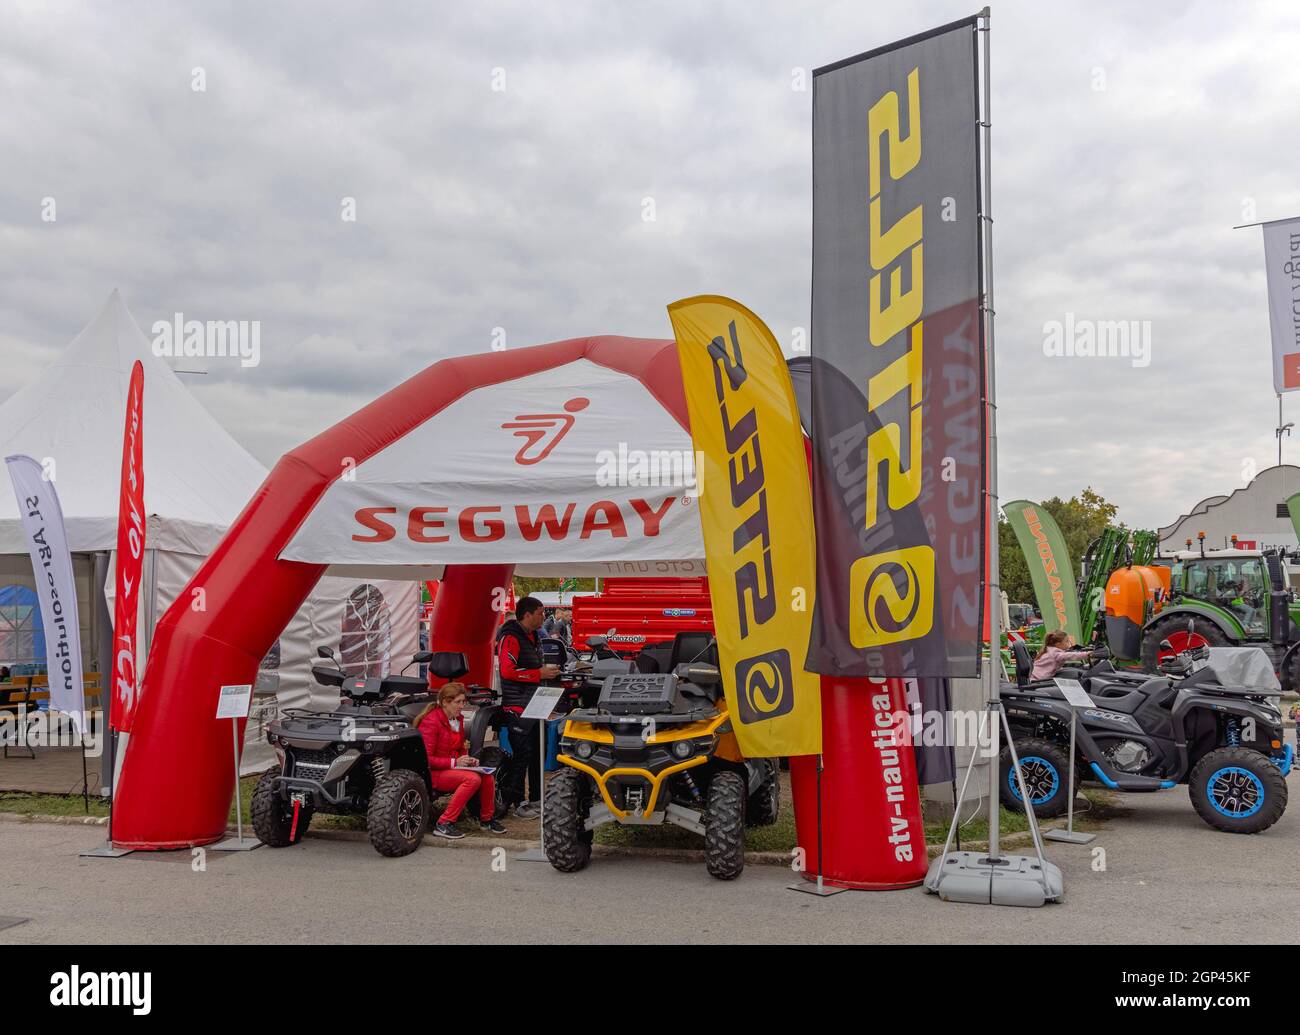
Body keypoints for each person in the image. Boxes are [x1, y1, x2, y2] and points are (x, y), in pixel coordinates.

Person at [414, 682, 506, 839]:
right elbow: (425, 759)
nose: (462, 706)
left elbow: (460, 748)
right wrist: (455, 762)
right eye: (458, 702)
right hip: (432, 774)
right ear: (445, 702)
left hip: (449, 769)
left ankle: (487, 819)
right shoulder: (431, 722)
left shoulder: (457, 720)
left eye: (463, 702)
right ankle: (444, 823)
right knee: (472, 779)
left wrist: (468, 759)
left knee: (487, 777)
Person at [495, 596, 560, 819]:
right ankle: (516, 802)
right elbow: (507, 671)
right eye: (541, 613)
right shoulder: (511, 636)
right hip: (517, 707)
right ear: (528, 614)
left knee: (537, 754)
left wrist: (546, 673)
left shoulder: (533, 636)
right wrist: (538, 674)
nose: (544, 616)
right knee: (522, 755)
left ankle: (536, 799)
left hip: (535, 704)